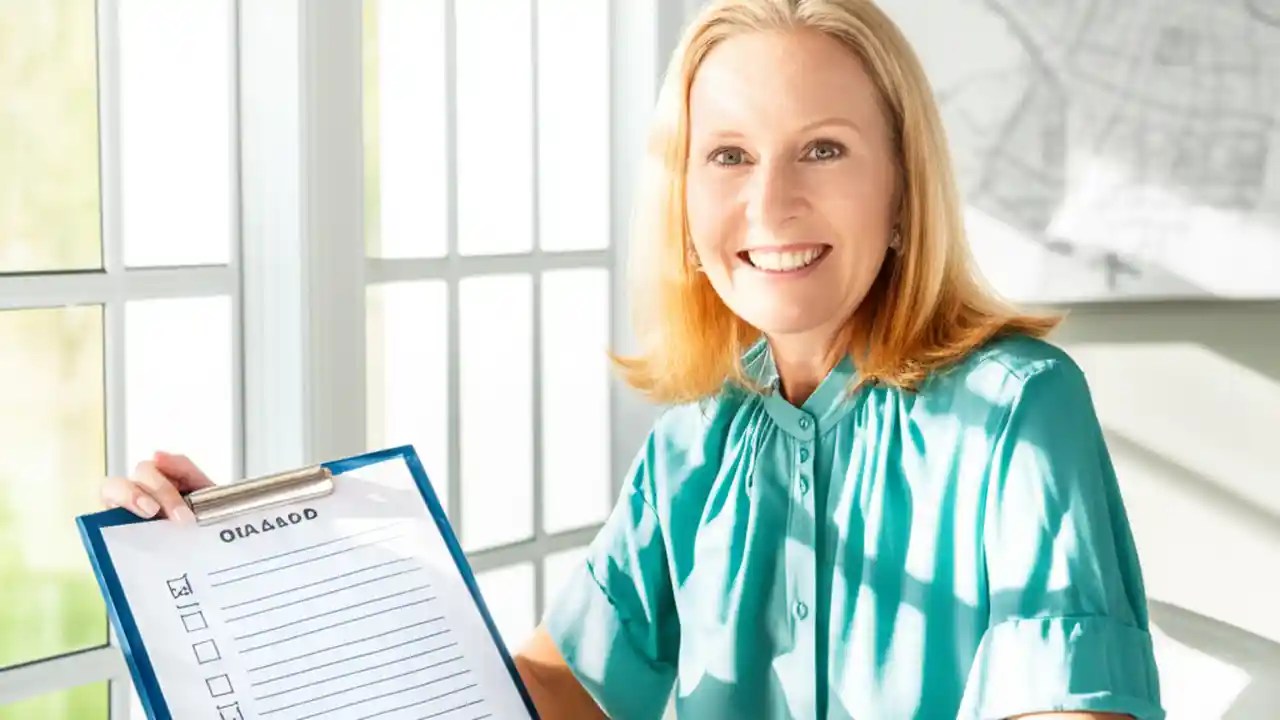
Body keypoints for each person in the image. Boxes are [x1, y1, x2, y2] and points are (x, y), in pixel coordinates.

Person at [101, 0, 1165, 717]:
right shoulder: (690, 451)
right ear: (686, 199)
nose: (770, 202)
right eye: (728, 155)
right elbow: (548, 697)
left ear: (901, 193)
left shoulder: (1018, 407)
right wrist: (251, 562)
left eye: (825, 149)